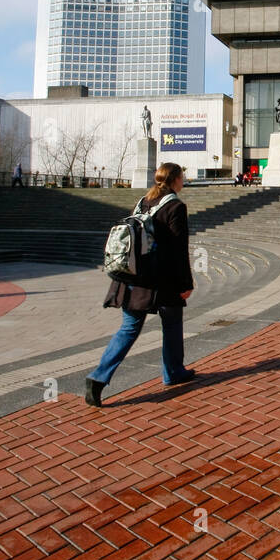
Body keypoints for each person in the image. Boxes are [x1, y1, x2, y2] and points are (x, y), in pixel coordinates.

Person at [85, 162, 196, 406]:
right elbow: (179, 250)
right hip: (162, 280)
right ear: (175, 180)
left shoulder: (144, 201)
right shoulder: (176, 206)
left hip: (134, 276)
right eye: (182, 177)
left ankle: (98, 378)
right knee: (172, 324)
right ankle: (173, 372)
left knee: (129, 328)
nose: (183, 181)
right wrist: (185, 283)